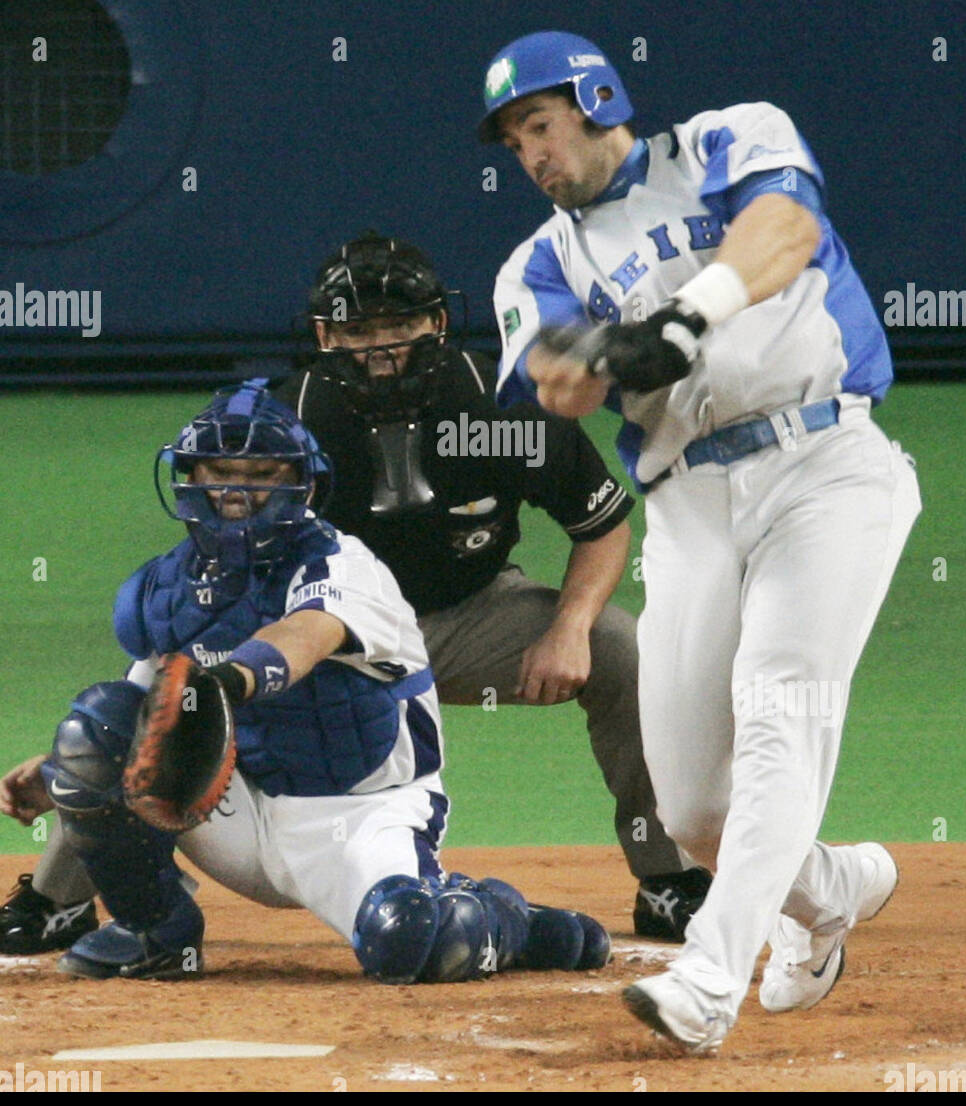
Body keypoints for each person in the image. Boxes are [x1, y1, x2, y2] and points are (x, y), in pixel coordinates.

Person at [0, 236, 711, 952]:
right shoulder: (283, 426)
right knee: (142, 698)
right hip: (312, 644)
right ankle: (56, 899)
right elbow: (201, 608)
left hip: (469, 615)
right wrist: (77, 763)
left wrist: (569, 626)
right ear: (323, 336)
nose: (380, 346)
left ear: (436, 323)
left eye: (398, 326)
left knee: (620, 647)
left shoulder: (503, 408)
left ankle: (669, 880)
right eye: (357, 330)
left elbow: (602, 524)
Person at [478, 30, 921, 1052]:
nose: (529, 154)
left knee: (778, 707)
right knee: (690, 809)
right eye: (511, 142)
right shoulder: (536, 260)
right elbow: (554, 375)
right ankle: (834, 886)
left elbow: (782, 230)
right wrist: (590, 352)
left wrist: (680, 319)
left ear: (594, 95)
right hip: (688, 504)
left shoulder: (726, 140)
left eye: (537, 123)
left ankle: (710, 977)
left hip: (825, 464)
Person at [23, 381, 610, 983]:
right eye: (218, 471)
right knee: (99, 725)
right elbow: (147, 712)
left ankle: (508, 918)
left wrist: (232, 676)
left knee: (415, 942)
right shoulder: (162, 588)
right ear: (187, 475)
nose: (235, 492)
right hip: (237, 807)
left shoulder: (342, 564)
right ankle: (157, 933)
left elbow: (307, 634)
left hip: (356, 816)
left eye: (261, 474)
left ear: (301, 483)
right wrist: (69, 770)